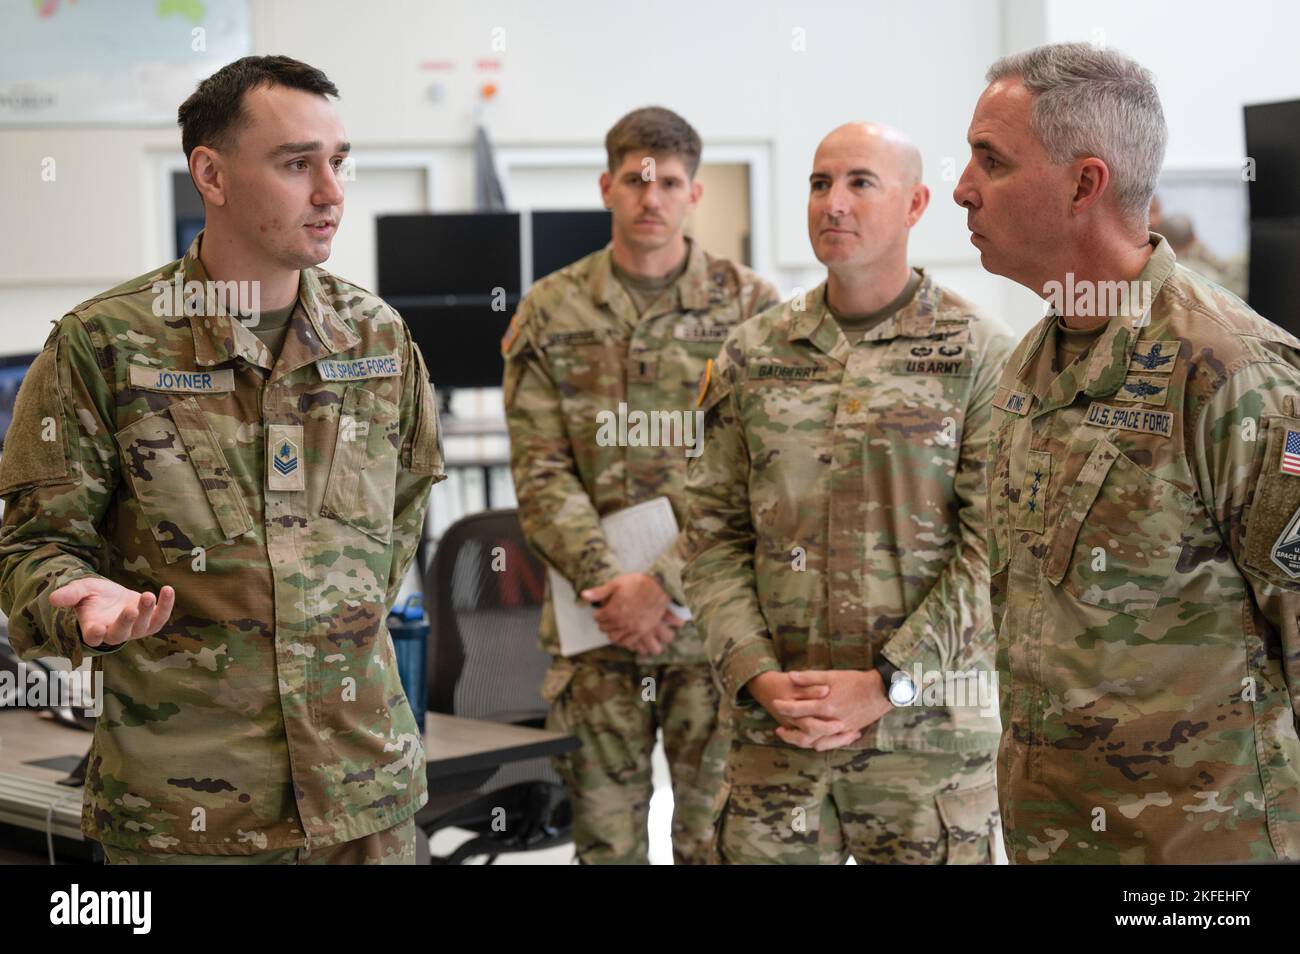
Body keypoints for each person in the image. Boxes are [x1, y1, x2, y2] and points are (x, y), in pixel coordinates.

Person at [0, 55, 445, 864]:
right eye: (296, 163)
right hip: (191, 820)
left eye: (338, 162)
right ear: (211, 172)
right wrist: (78, 598)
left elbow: (399, 532)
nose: (331, 192)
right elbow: (31, 550)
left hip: (367, 799)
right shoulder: (103, 347)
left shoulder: (378, 343)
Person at [955, 41, 1300, 863]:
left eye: (991, 162)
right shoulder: (1030, 364)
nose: (963, 190)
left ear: (1085, 184)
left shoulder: (1233, 374)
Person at [684, 122, 1012, 864]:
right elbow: (711, 533)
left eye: (861, 182)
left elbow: (997, 552)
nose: (834, 202)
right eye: (819, 183)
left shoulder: (978, 352)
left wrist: (887, 683)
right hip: (780, 738)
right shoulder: (753, 353)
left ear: (916, 204)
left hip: (926, 746)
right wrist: (755, 673)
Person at [502, 106, 779, 864]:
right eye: (635, 180)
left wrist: (666, 585)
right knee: (604, 844)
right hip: (596, 634)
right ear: (607, 187)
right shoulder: (550, 310)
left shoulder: (754, 311)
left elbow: (760, 473)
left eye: (669, 182)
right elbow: (540, 466)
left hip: (712, 628)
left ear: (693, 193)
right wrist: (613, 587)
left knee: (716, 842)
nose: (650, 198)